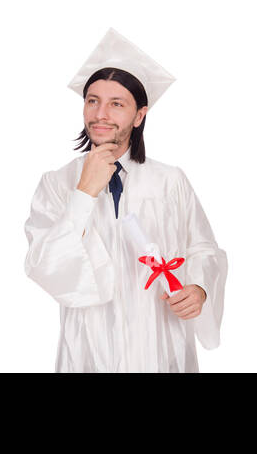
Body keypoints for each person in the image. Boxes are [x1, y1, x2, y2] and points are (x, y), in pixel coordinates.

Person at [24, 29, 226, 371]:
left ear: (139, 115)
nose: (101, 114)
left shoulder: (169, 181)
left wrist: (200, 289)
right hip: (90, 347)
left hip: (160, 343)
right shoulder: (58, 184)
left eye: (116, 104)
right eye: (92, 100)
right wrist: (83, 193)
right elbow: (45, 266)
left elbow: (204, 248)